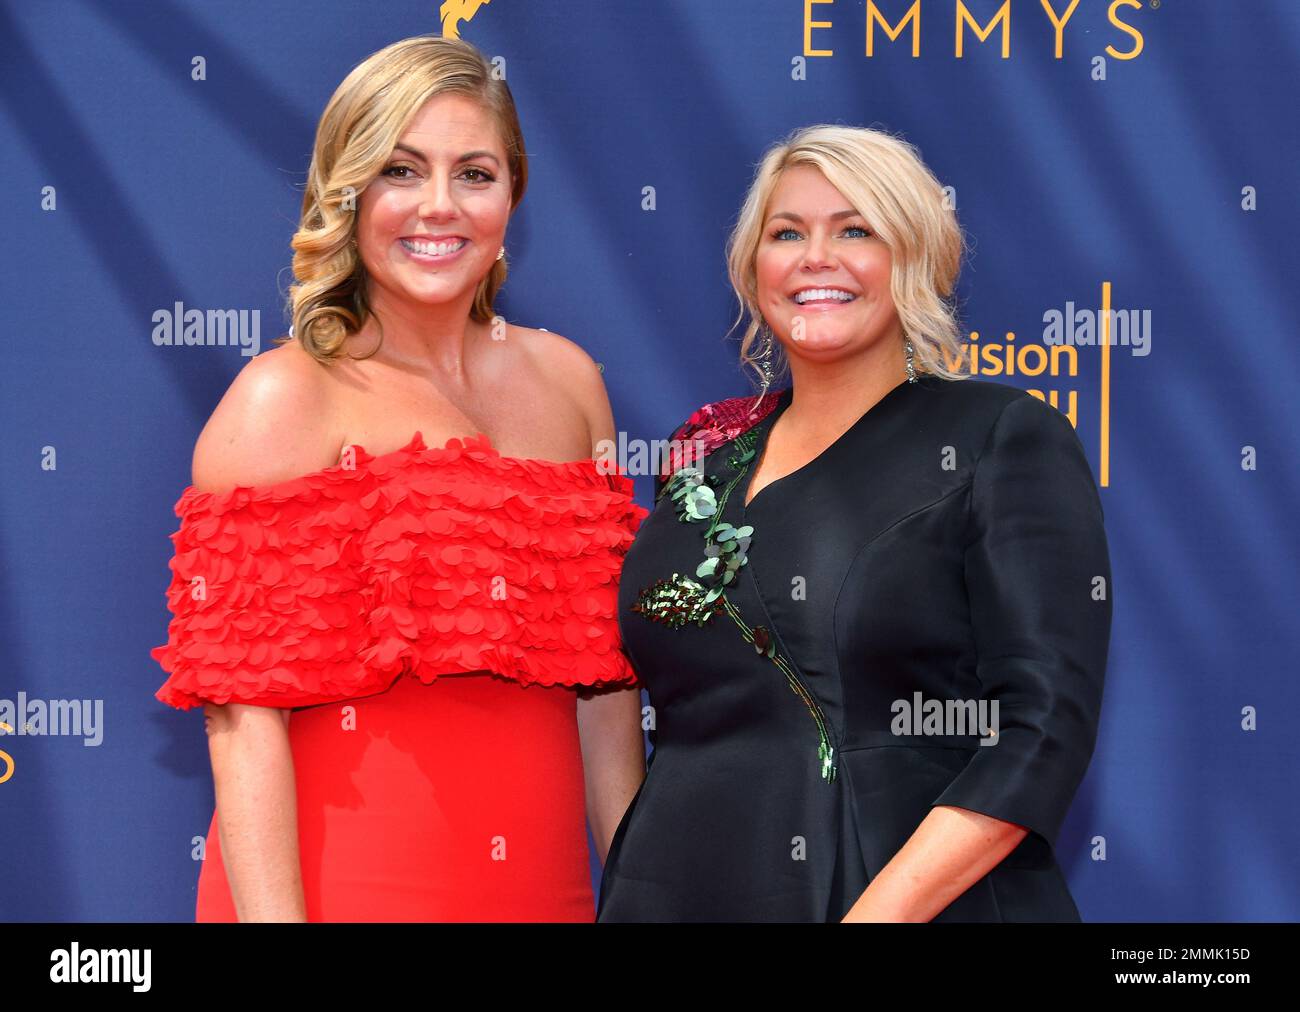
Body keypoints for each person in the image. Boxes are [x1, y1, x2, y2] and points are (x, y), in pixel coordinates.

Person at [151, 35, 648, 922]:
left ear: (513, 193)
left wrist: (646, 899)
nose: (439, 206)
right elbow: (242, 722)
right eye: (401, 171)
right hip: (341, 894)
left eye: (475, 173)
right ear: (346, 194)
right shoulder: (284, 397)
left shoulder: (571, 384)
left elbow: (606, 699)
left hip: (543, 895)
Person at [597, 124, 1112, 922]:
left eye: (855, 231)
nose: (816, 257)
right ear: (752, 268)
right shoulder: (702, 463)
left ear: (914, 257)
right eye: (787, 233)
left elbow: (1039, 731)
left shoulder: (998, 436)